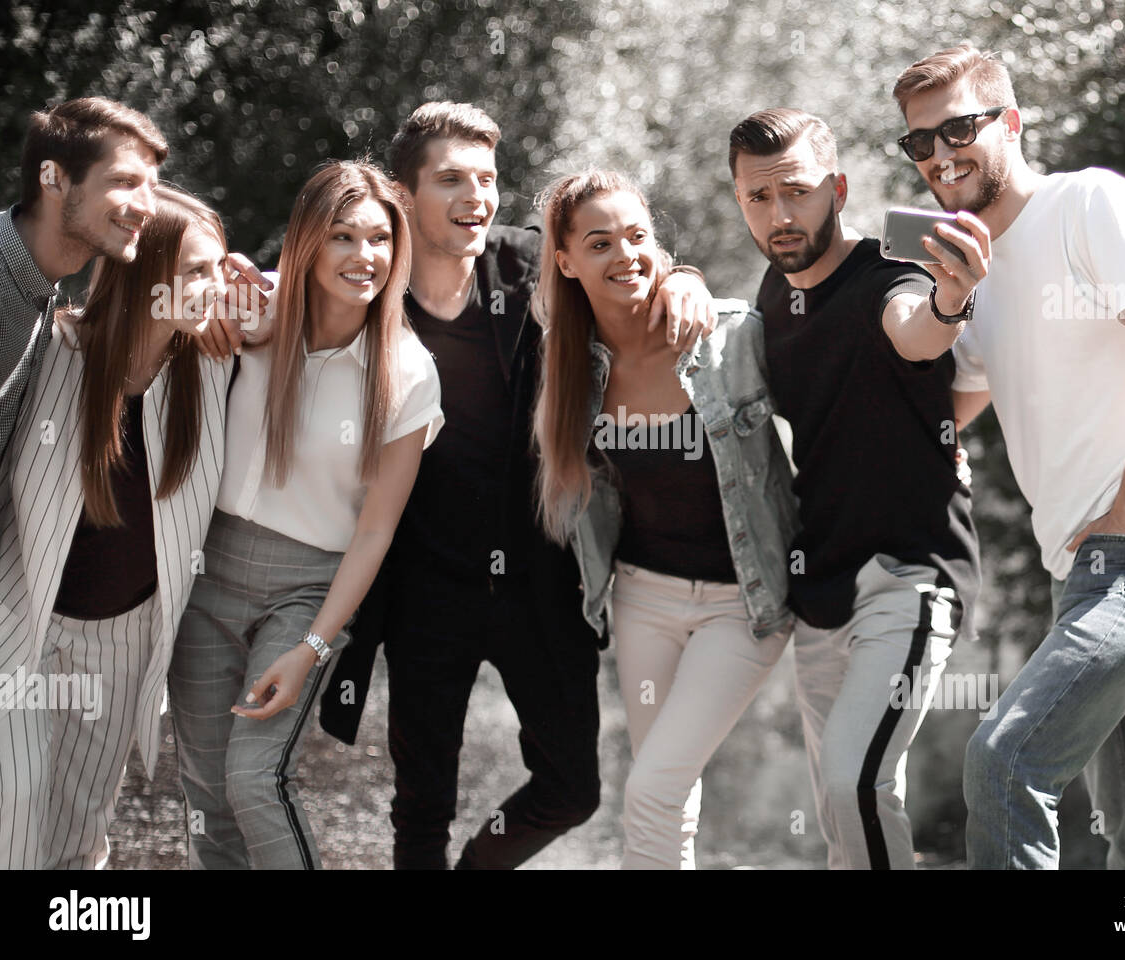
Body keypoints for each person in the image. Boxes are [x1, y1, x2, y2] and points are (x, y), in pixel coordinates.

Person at [316, 103, 716, 869]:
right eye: (452, 181)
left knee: (571, 789)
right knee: (420, 805)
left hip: (542, 576)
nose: (478, 197)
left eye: (488, 180)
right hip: (423, 584)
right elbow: (293, 284)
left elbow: (621, 264)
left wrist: (688, 275)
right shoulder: (372, 290)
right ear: (403, 197)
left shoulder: (529, 264)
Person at [893, 44, 1125, 870]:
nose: (940, 155)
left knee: (1003, 761)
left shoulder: (1089, 203)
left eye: (959, 129)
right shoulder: (973, 273)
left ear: (1010, 123)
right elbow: (950, 411)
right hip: (1082, 566)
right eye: (919, 143)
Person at [727, 107, 985, 869]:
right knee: (848, 812)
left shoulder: (891, 268)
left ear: (837, 187)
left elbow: (917, 328)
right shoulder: (770, 302)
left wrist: (948, 302)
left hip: (909, 576)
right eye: (757, 199)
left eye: (798, 192)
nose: (779, 215)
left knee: (854, 784)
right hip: (821, 589)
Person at [168, 159, 443, 869]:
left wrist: (314, 647)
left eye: (380, 239)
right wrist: (211, 299)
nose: (365, 257)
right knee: (205, 793)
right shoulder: (254, 305)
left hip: (307, 591)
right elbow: (164, 316)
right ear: (308, 241)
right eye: (343, 237)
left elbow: (376, 529)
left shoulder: (408, 372)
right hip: (206, 574)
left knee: (256, 781)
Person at [531, 170, 796, 869]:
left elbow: (834, 407)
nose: (625, 254)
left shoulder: (731, 337)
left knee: (651, 787)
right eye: (599, 243)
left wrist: (688, 275)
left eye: (637, 236)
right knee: (663, 788)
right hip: (642, 596)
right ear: (565, 261)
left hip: (742, 603)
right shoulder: (568, 364)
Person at [0, 184, 233, 868]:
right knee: (12, 820)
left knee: (78, 833)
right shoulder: (52, 351)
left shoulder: (214, 365)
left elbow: (317, 296)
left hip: (123, 638)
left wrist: (252, 285)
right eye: (197, 271)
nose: (215, 287)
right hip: (21, 625)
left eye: (220, 268)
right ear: (142, 272)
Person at [0, 98, 166, 466]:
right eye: (124, 181)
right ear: (54, 179)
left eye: (151, 188)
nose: (148, 208)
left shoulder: (40, 287)